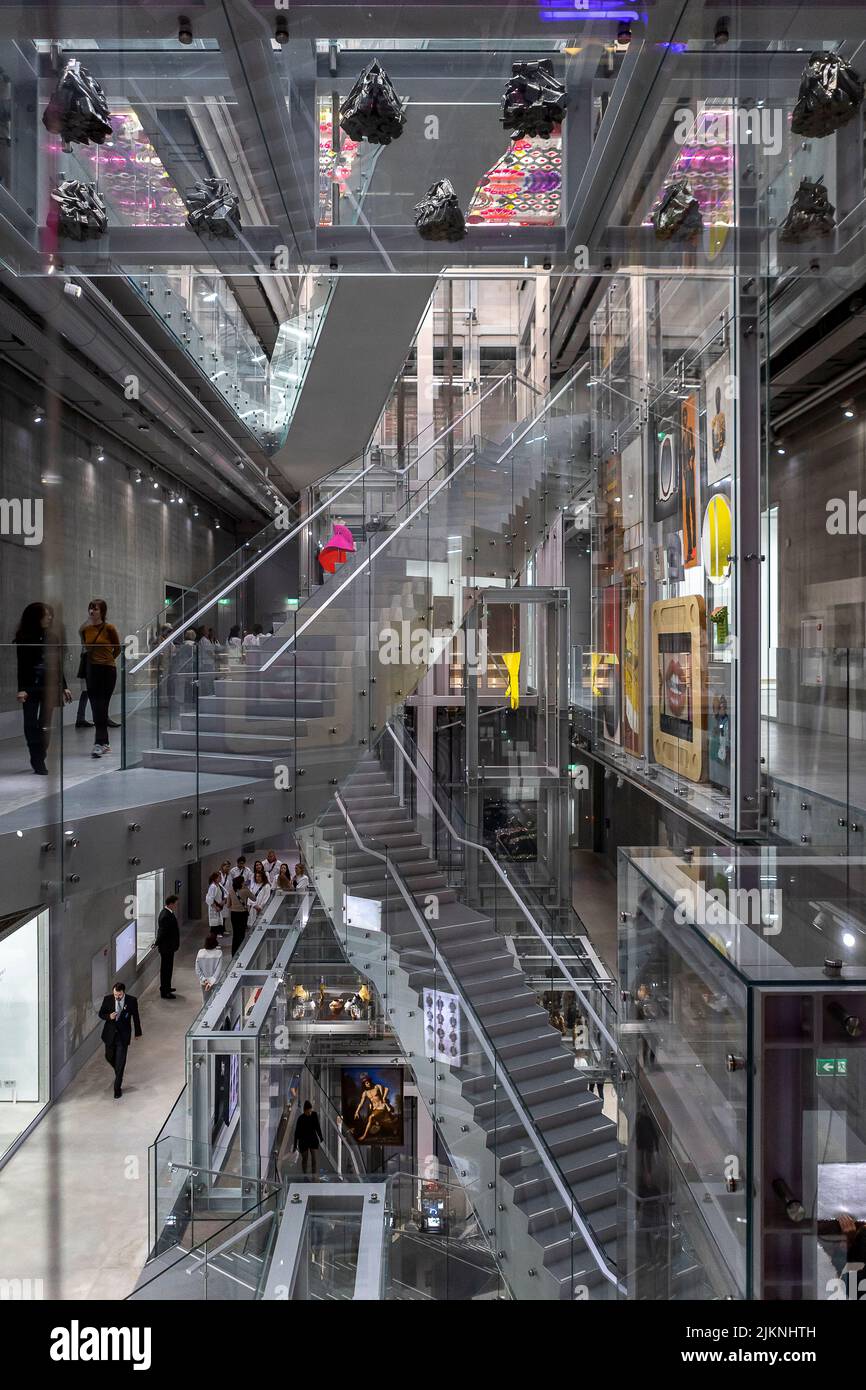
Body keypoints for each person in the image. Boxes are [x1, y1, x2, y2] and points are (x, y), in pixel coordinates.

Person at [15, 602, 72, 774]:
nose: (50, 617)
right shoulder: (24, 637)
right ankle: (36, 757)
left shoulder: (52, 637)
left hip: (49, 686)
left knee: (45, 724)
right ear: (36, 617)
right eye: (46, 614)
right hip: (31, 686)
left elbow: (57, 665)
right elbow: (22, 665)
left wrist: (64, 687)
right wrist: (22, 688)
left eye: (50, 614)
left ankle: (39, 757)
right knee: (31, 723)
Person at [79, 599, 121, 758]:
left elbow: (117, 649)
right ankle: (104, 743)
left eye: (95, 609)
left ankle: (100, 743)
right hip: (92, 670)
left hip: (107, 670)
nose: (91, 612)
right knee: (96, 707)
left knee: (102, 707)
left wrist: (107, 660)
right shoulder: (86, 629)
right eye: (90, 608)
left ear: (102, 611)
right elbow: (85, 648)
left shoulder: (109, 628)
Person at [98, 981, 142, 1099]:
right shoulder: (108, 999)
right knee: (109, 1056)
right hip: (110, 1034)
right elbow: (101, 1014)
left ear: (123, 992)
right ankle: (118, 1071)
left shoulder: (131, 1001)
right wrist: (109, 1016)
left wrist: (138, 1032)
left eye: (119, 995)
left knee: (121, 1062)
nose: (117, 997)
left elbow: (136, 1017)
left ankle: (117, 1088)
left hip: (123, 1036)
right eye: (115, 995)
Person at [156, 893, 180, 998]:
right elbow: (162, 932)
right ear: (171, 904)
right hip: (166, 948)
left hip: (169, 947)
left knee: (168, 968)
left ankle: (167, 987)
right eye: (175, 904)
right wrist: (156, 943)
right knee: (166, 969)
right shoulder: (165, 915)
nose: (176, 906)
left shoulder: (167, 913)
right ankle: (165, 991)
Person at [293, 1100, 324, 1179]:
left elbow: (317, 1127)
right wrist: (295, 1145)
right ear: (304, 1110)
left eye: (311, 1111)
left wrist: (321, 1137)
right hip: (303, 1141)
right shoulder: (301, 1118)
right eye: (308, 1112)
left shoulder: (314, 1115)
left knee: (314, 1158)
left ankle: (313, 1175)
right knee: (305, 1158)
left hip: (313, 1139)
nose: (310, 1113)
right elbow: (296, 1133)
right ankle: (305, 1175)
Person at [195, 933, 223, 1005]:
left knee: (205, 1001)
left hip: (204, 982)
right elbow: (218, 970)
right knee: (217, 1001)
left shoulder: (200, 953)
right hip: (215, 981)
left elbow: (197, 970)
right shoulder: (219, 953)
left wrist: (204, 980)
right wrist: (211, 982)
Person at [227, 874, 249, 957]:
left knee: (235, 934)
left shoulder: (231, 891)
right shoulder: (245, 891)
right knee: (242, 933)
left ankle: (234, 954)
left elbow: (228, 905)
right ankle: (241, 953)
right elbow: (254, 898)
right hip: (242, 914)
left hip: (234, 914)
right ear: (241, 883)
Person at [205, 870, 226, 938]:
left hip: (219, 906)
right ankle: (213, 940)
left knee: (218, 923)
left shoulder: (219, 885)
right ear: (215, 878)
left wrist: (224, 900)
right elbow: (209, 899)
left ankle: (216, 939)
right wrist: (215, 907)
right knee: (214, 925)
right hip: (214, 908)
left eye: (220, 877)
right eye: (219, 877)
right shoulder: (213, 886)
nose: (220, 878)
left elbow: (225, 893)